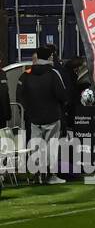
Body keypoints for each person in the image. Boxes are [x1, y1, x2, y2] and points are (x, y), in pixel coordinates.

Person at [16, 47, 68, 184]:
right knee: (51, 146)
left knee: (36, 146)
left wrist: (27, 111)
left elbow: (20, 95)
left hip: (34, 117)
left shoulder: (27, 74)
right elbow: (62, 94)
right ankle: (50, 176)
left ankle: (36, 174)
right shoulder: (53, 73)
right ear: (49, 57)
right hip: (51, 116)